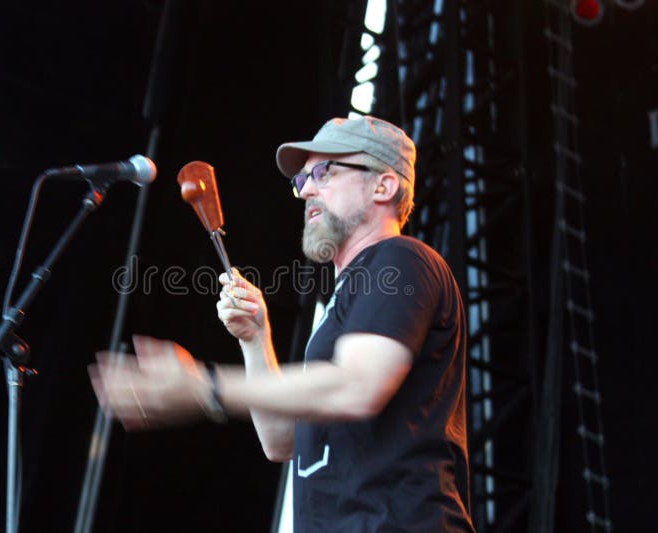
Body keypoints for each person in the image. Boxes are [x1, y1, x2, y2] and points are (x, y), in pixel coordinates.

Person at [89, 115, 475, 532]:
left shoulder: (402, 259)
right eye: (303, 179)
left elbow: (358, 386)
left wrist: (205, 386)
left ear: (383, 186)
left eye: (324, 172)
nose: (305, 189)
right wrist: (257, 340)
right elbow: (281, 441)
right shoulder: (349, 300)